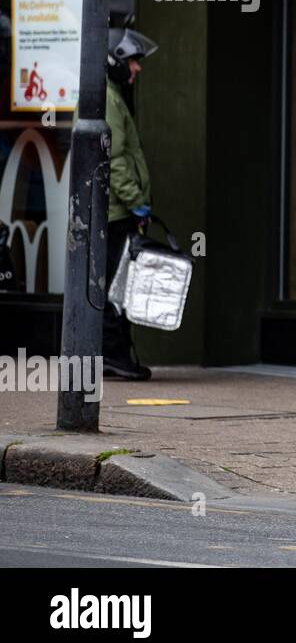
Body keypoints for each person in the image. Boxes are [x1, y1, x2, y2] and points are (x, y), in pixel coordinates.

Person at [93, 27, 158, 380]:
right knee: (113, 285)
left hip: (116, 211)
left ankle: (116, 356)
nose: (137, 68)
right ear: (115, 61)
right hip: (115, 212)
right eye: (133, 61)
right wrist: (136, 203)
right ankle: (112, 357)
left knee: (116, 283)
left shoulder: (113, 97)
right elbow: (114, 159)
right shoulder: (107, 99)